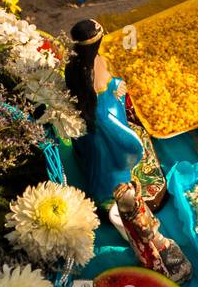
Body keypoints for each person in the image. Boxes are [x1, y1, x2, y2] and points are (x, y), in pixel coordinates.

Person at [63, 19, 167, 210]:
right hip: (104, 119)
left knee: (94, 150)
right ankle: (109, 190)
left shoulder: (74, 66)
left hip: (102, 111)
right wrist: (115, 88)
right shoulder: (89, 72)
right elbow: (101, 104)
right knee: (112, 152)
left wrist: (116, 84)